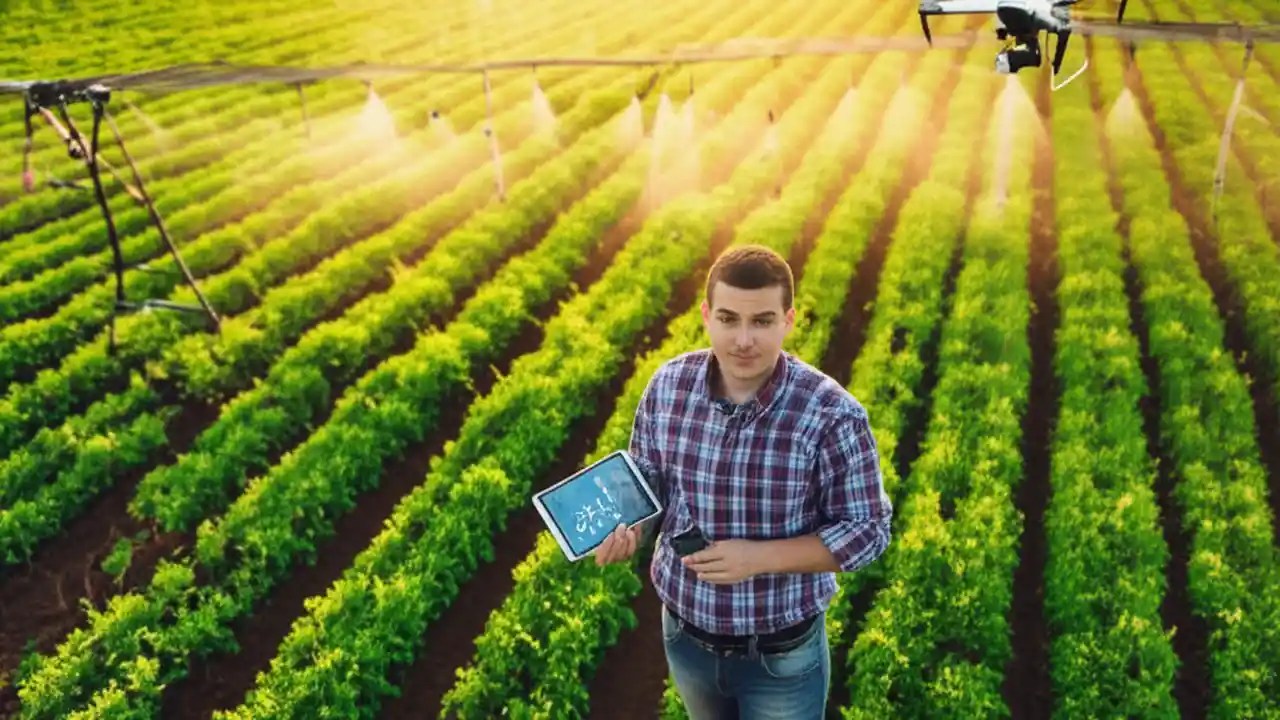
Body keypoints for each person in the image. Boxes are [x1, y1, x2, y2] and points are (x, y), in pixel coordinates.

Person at [595, 244, 893, 719]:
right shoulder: (668, 387)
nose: (743, 340)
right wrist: (632, 529)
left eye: (762, 321)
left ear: (789, 321)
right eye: (729, 319)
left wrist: (757, 558)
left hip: (780, 655)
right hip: (685, 636)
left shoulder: (831, 413)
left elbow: (868, 530)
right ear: (707, 316)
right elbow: (648, 481)